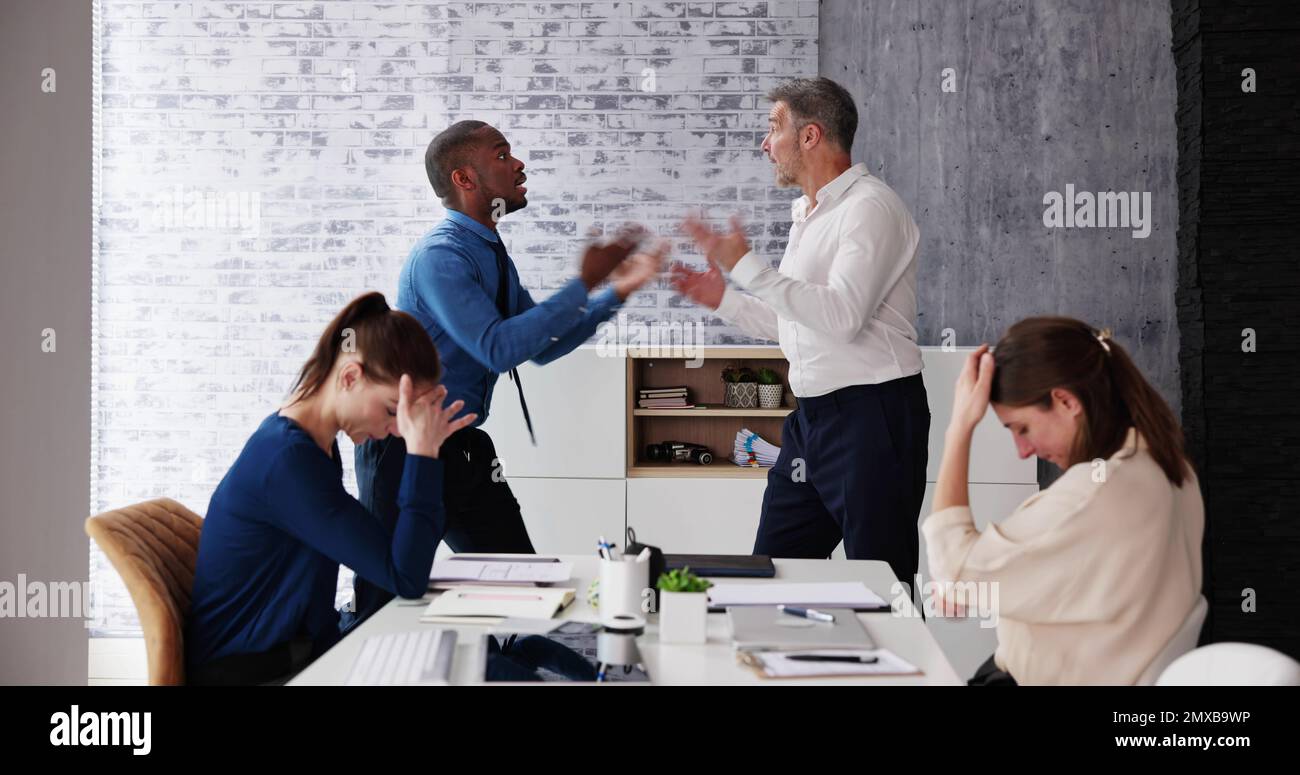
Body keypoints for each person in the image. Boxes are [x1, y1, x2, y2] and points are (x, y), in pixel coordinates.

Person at [350, 120, 664, 624]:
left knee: (522, 584)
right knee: (381, 602)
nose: (518, 165)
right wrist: (582, 283)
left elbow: (537, 347)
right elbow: (497, 349)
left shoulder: (490, 252)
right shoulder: (441, 257)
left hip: (462, 447)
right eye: (502, 155)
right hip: (402, 450)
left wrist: (614, 295)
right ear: (465, 179)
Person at [673, 76, 930, 594]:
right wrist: (722, 298)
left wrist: (744, 266)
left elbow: (841, 317)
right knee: (772, 569)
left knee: (884, 582)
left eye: (774, 128)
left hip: (873, 416)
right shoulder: (809, 215)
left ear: (810, 136)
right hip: (812, 421)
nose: (765, 144)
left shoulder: (869, 208)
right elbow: (800, 326)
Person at [185, 292, 474, 685]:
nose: (395, 429)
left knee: (477, 659)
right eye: (392, 410)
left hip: (304, 652)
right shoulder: (288, 463)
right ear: (351, 377)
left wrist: (426, 451)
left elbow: (396, 563)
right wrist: (423, 451)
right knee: (470, 668)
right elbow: (405, 576)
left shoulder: (312, 447)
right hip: (258, 673)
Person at [925, 317, 1204, 685]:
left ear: (1066, 401)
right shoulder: (1169, 466)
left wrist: (959, 427)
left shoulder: (1096, 496)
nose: (1023, 451)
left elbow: (953, 572)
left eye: (1021, 428)